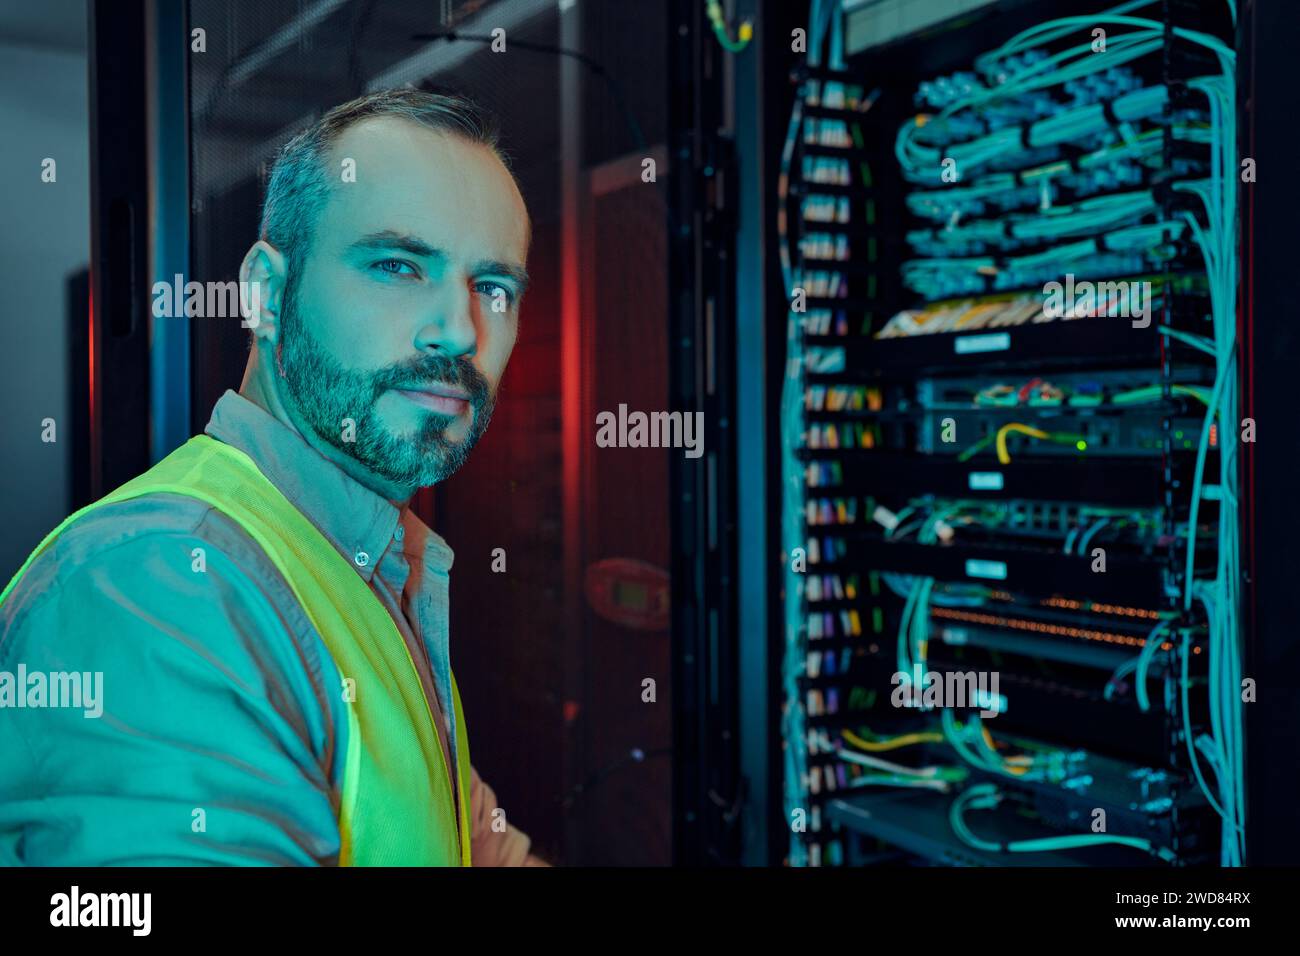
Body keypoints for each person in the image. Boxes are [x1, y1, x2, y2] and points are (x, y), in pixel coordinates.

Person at [0, 88, 546, 866]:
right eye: (396, 265)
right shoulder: (162, 584)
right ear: (265, 291)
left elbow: (479, 847)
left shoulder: (371, 562)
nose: (460, 329)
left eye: (493, 288)